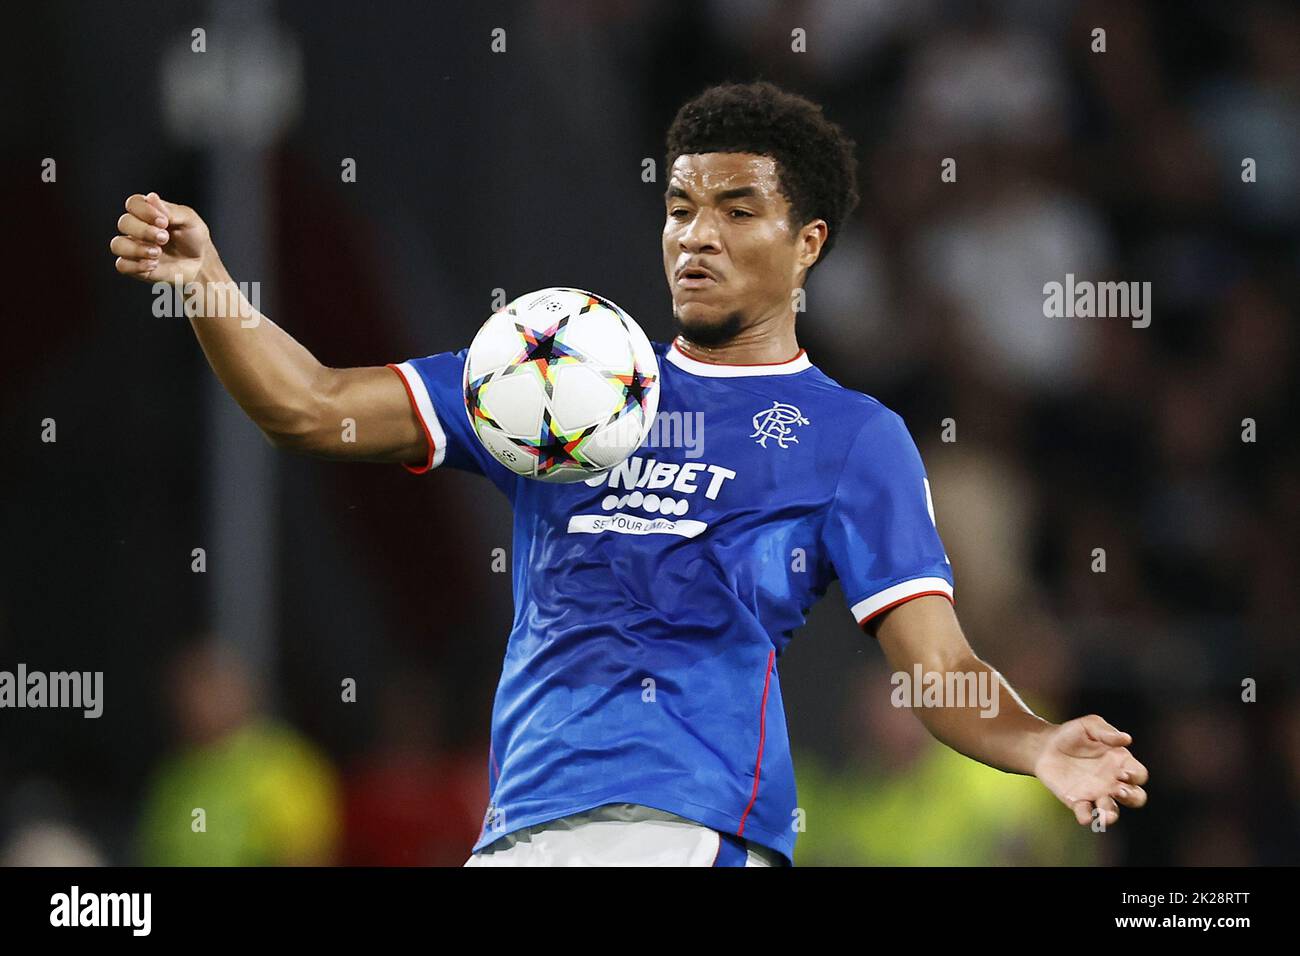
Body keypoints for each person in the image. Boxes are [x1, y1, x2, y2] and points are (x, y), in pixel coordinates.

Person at [109, 80, 1147, 866]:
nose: (696, 235)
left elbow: (935, 664)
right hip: (519, 829)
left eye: (737, 209)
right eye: (681, 206)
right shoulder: (559, 374)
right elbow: (314, 406)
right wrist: (208, 283)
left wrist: (1038, 742)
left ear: (807, 244)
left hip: (685, 829)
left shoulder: (848, 435)